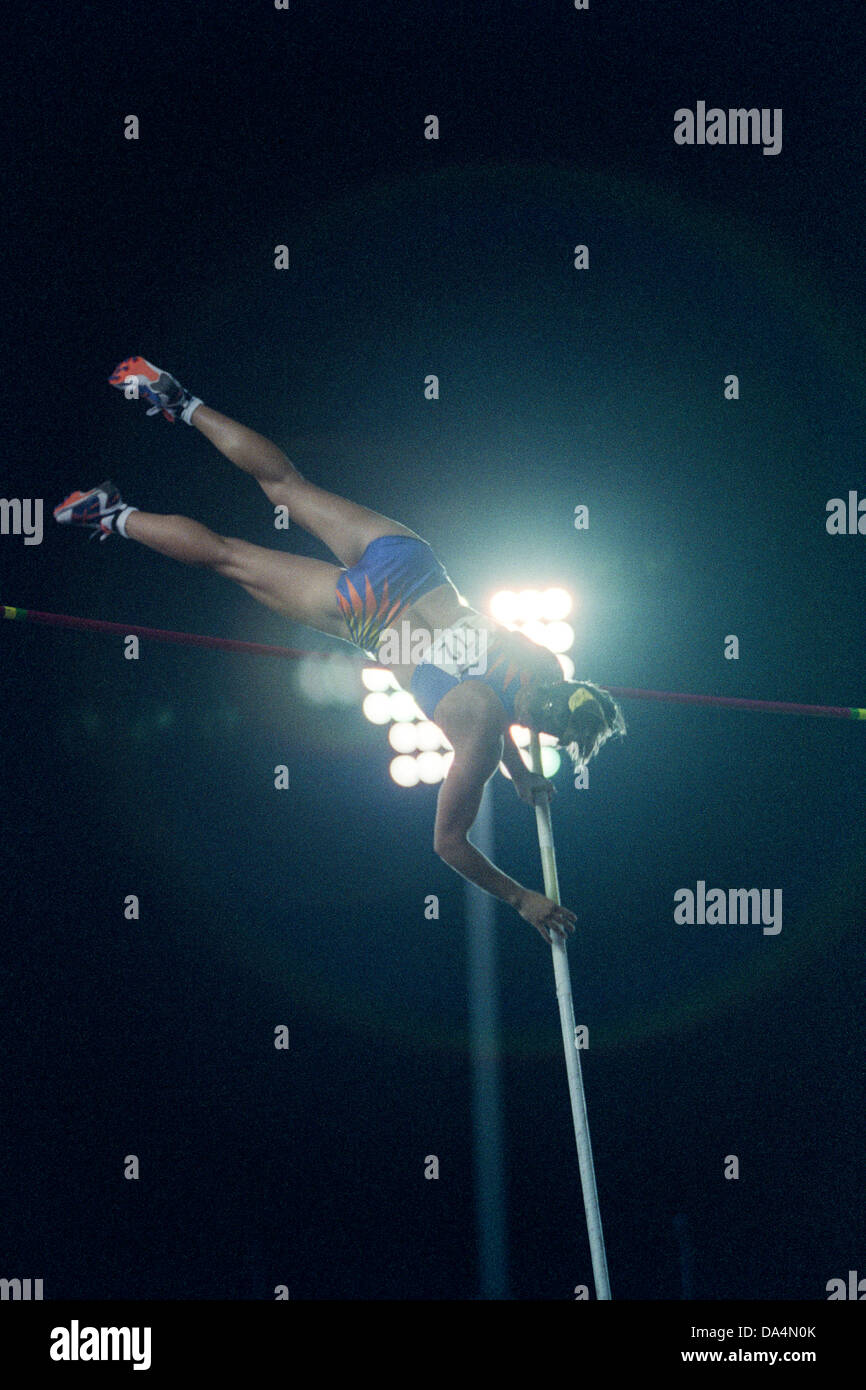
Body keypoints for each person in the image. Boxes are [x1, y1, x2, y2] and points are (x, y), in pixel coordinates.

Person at [54, 357, 625, 943]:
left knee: (287, 485)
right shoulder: (482, 737)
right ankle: (110, 514)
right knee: (230, 556)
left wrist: (521, 772)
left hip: (408, 562)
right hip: (368, 611)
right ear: (543, 722)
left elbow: (504, 700)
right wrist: (522, 897)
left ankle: (180, 401)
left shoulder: (544, 665)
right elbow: (448, 843)